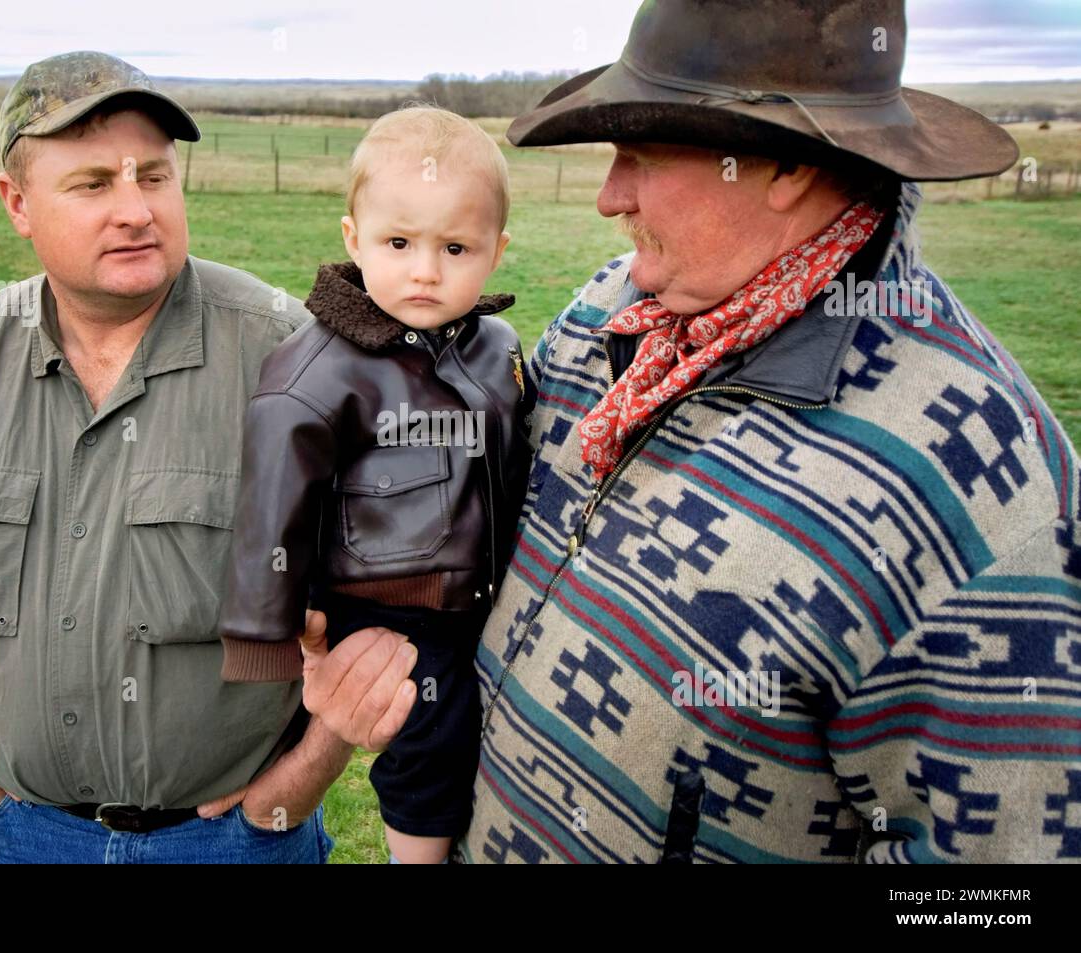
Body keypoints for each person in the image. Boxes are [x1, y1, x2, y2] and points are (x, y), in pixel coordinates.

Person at [307, 0, 1081, 863]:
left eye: (639, 152)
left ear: (783, 164)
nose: (609, 195)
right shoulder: (610, 315)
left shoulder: (981, 489)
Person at [0, 51, 374, 863]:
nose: (136, 211)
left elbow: (375, 587)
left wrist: (303, 775)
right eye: (94, 184)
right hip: (28, 832)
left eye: (153, 177)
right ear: (16, 203)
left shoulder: (291, 361)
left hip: (231, 838)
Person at [218, 106, 532, 864]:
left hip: (489, 595)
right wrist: (267, 645)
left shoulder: (496, 348)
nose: (425, 271)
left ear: (495, 252)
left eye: (455, 247)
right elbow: (271, 512)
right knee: (425, 731)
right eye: (399, 243)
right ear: (354, 240)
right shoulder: (318, 370)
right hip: (384, 598)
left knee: (488, 726)